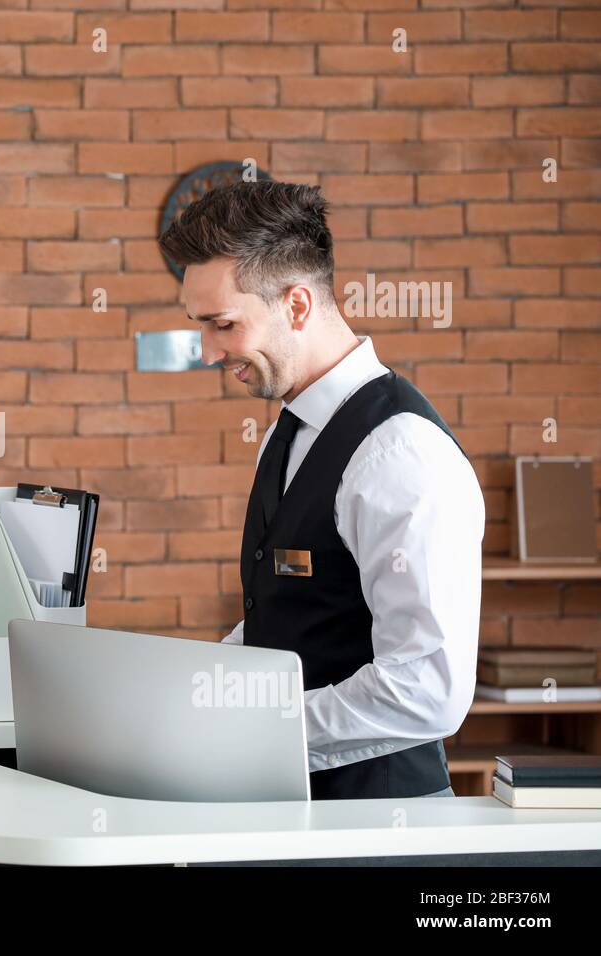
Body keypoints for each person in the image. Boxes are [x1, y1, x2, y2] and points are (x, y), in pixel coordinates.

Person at [158, 181, 483, 800]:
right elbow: (289, 620)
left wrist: (252, 730)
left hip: (373, 831)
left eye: (222, 325)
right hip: (288, 814)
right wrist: (190, 693)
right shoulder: (290, 428)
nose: (207, 352)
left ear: (297, 306)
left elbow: (426, 691)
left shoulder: (398, 452)